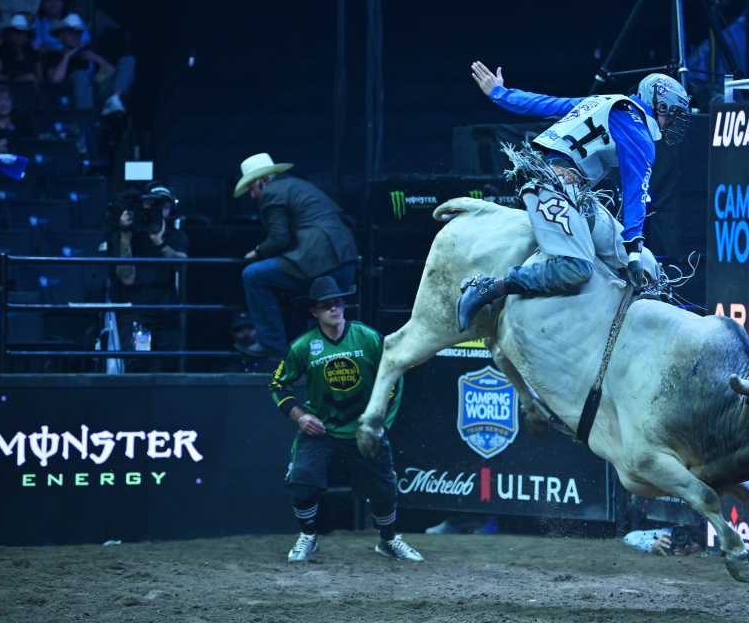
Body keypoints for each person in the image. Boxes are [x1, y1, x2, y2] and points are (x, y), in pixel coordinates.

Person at [456, 62, 691, 331]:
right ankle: (489, 287)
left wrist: (500, 93)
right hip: (552, 186)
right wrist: (634, 251)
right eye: (670, 115)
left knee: (649, 266)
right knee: (577, 268)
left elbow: (546, 104)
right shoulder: (639, 134)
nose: (671, 123)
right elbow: (635, 192)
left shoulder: (607, 101)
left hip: (573, 192)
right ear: (658, 105)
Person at [269, 275, 422, 563]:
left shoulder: (367, 338)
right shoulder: (303, 346)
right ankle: (308, 536)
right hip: (321, 429)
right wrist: (300, 416)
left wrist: (378, 422)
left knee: (384, 489)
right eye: (326, 305)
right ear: (314, 311)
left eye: (337, 302)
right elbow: (278, 383)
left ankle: (388, 540)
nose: (334, 308)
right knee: (301, 482)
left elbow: (393, 376)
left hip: (363, 427)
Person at [235, 153, 360, 359]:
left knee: (253, 275)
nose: (252, 195)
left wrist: (257, 252)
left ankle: (272, 346)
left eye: (251, 188)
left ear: (262, 181)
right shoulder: (297, 185)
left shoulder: (271, 192)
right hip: (345, 259)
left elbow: (279, 238)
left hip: (319, 260)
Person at [105, 182, 189, 360]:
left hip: (166, 308)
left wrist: (159, 242)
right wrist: (125, 234)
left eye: (164, 205)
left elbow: (182, 266)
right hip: (137, 308)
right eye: (155, 205)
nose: (160, 210)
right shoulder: (130, 234)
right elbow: (126, 277)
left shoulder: (176, 235)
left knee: (170, 361)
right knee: (138, 361)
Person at [44, 13, 115, 110]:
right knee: (80, 75)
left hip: (95, 93)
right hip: (67, 98)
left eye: (78, 32)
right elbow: (55, 79)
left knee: (128, 61)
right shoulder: (54, 55)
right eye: (70, 32)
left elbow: (112, 73)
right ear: (61, 35)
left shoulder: (88, 54)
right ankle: (85, 116)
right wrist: (67, 56)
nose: (75, 36)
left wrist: (97, 59)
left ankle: (115, 103)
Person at [0, 14, 39, 84]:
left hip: (30, 90)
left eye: (23, 33)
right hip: (7, 88)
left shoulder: (33, 52)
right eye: (16, 32)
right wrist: (17, 80)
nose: (20, 36)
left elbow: (39, 77)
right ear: (8, 34)